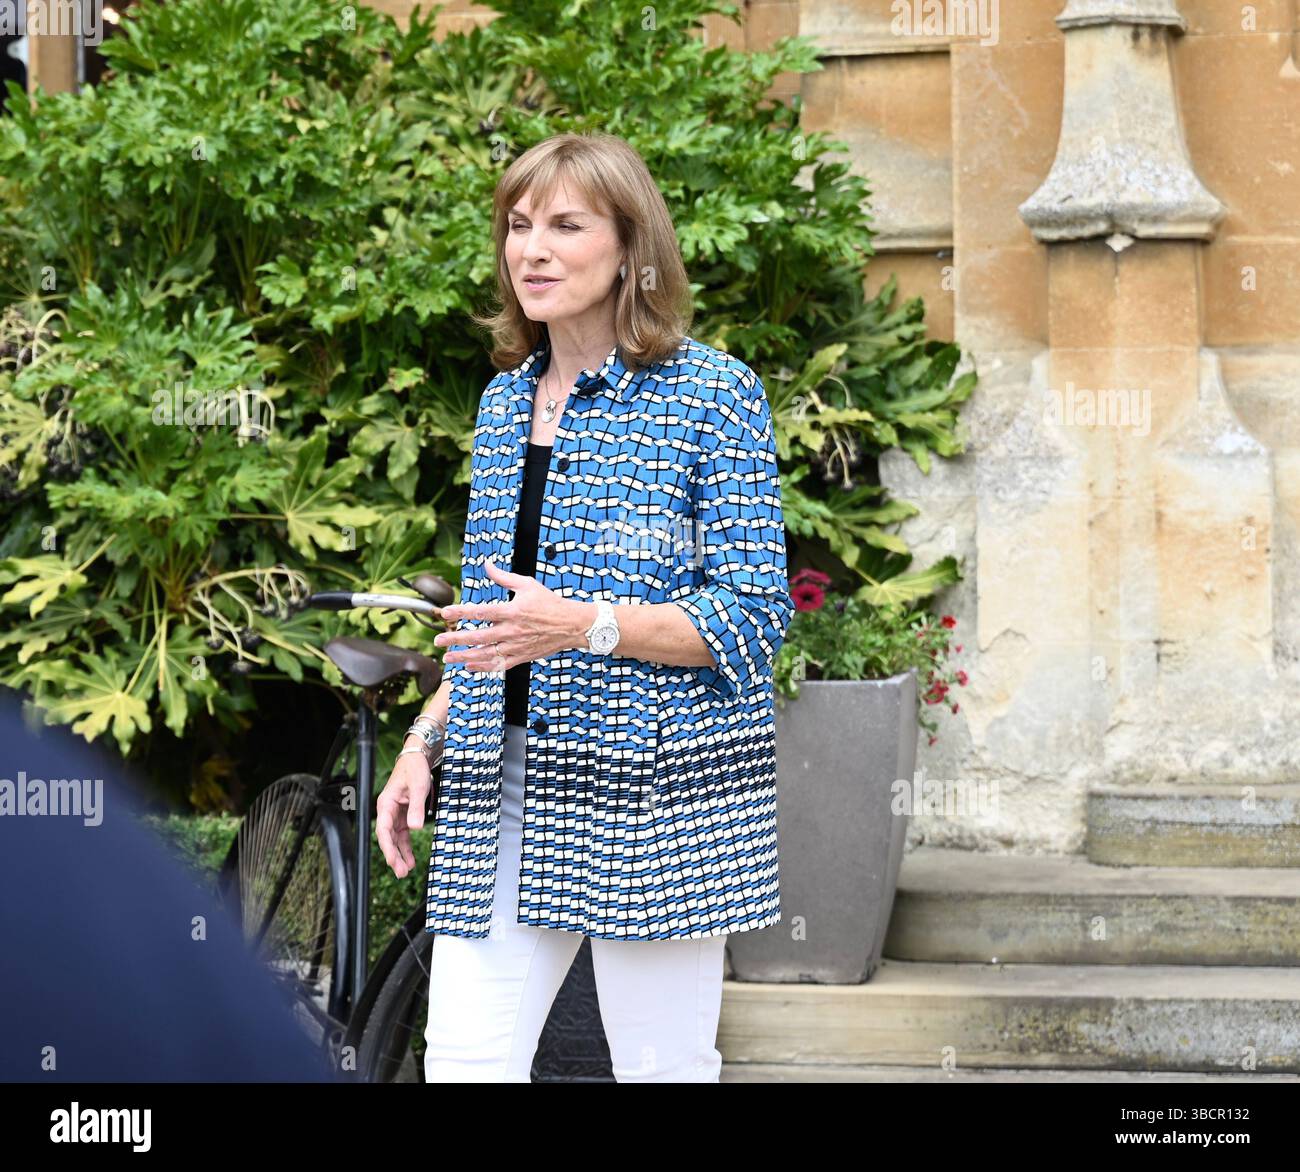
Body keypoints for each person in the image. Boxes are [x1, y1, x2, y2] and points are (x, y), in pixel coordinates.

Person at [374, 131, 793, 1083]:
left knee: (662, 1069)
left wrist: (588, 625)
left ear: (629, 249)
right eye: (519, 226)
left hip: (653, 795)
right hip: (503, 788)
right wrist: (422, 743)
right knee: (464, 1067)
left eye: (566, 225)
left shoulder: (712, 394)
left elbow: (754, 614)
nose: (533, 249)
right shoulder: (501, 404)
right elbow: (495, 621)